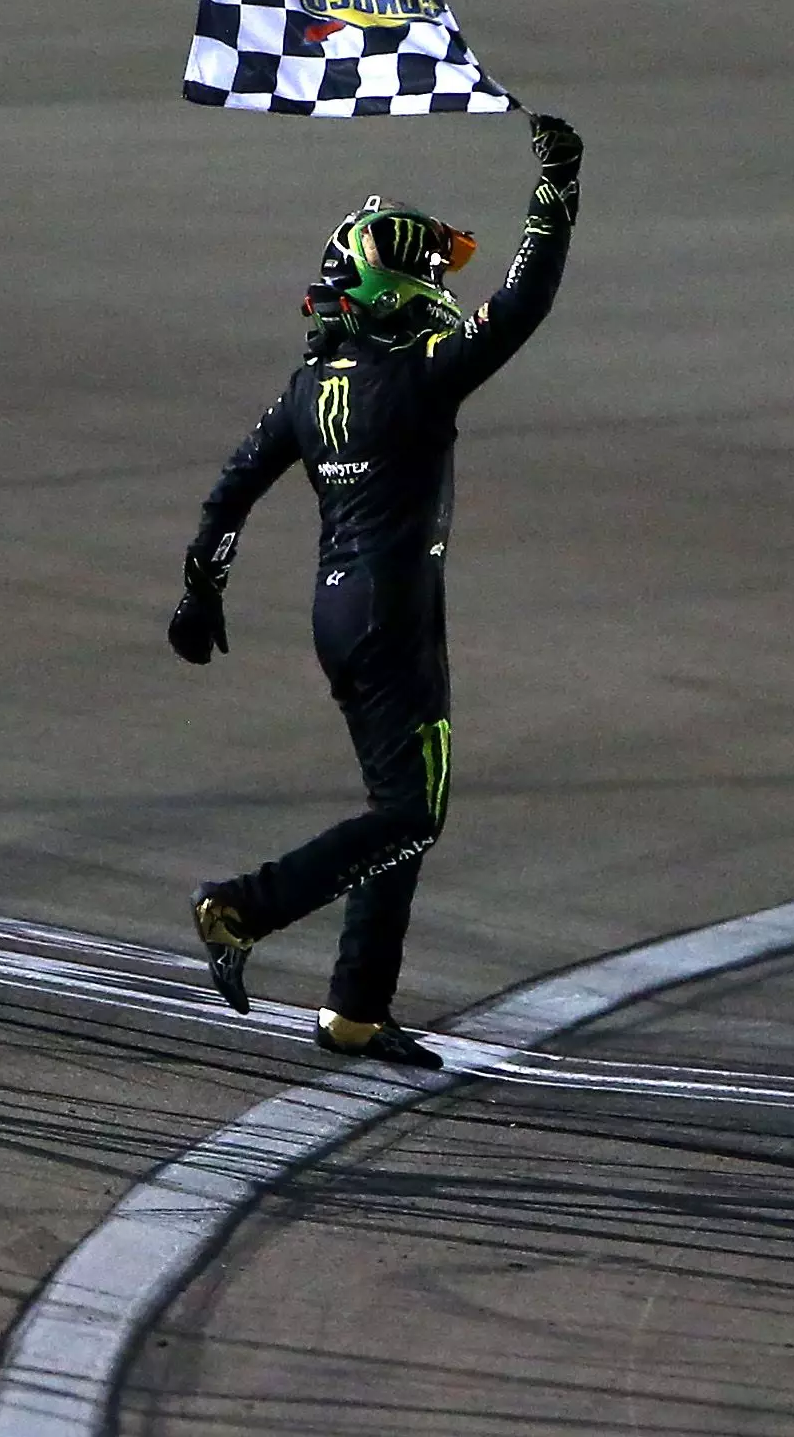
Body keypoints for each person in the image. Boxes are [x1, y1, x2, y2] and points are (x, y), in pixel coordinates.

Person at [167, 113, 585, 1068]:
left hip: (341, 612)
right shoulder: (420, 375)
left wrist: (202, 589)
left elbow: (229, 491)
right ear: (395, 286)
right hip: (395, 618)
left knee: (396, 805)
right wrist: (556, 189)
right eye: (433, 275)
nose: (445, 289)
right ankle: (243, 905)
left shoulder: (309, 389)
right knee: (411, 813)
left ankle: (356, 1009)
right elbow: (521, 305)